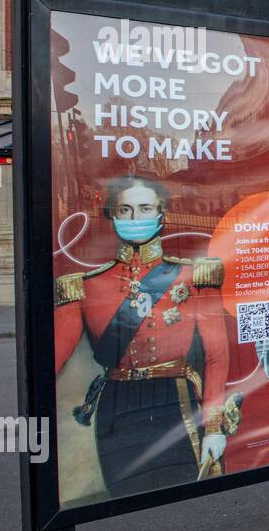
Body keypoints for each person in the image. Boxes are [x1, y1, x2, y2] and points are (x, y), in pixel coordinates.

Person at [54, 175, 241, 498]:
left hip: (176, 397)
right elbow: (52, 360)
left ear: (160, 214)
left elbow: (216, 355)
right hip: (117, 402)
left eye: (144, 208)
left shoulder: (193, 275)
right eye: (125, 209)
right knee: (126, 493)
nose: (134, 218)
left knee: (184, 491)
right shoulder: (85, 285)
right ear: (112, 215)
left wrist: (213, 426)